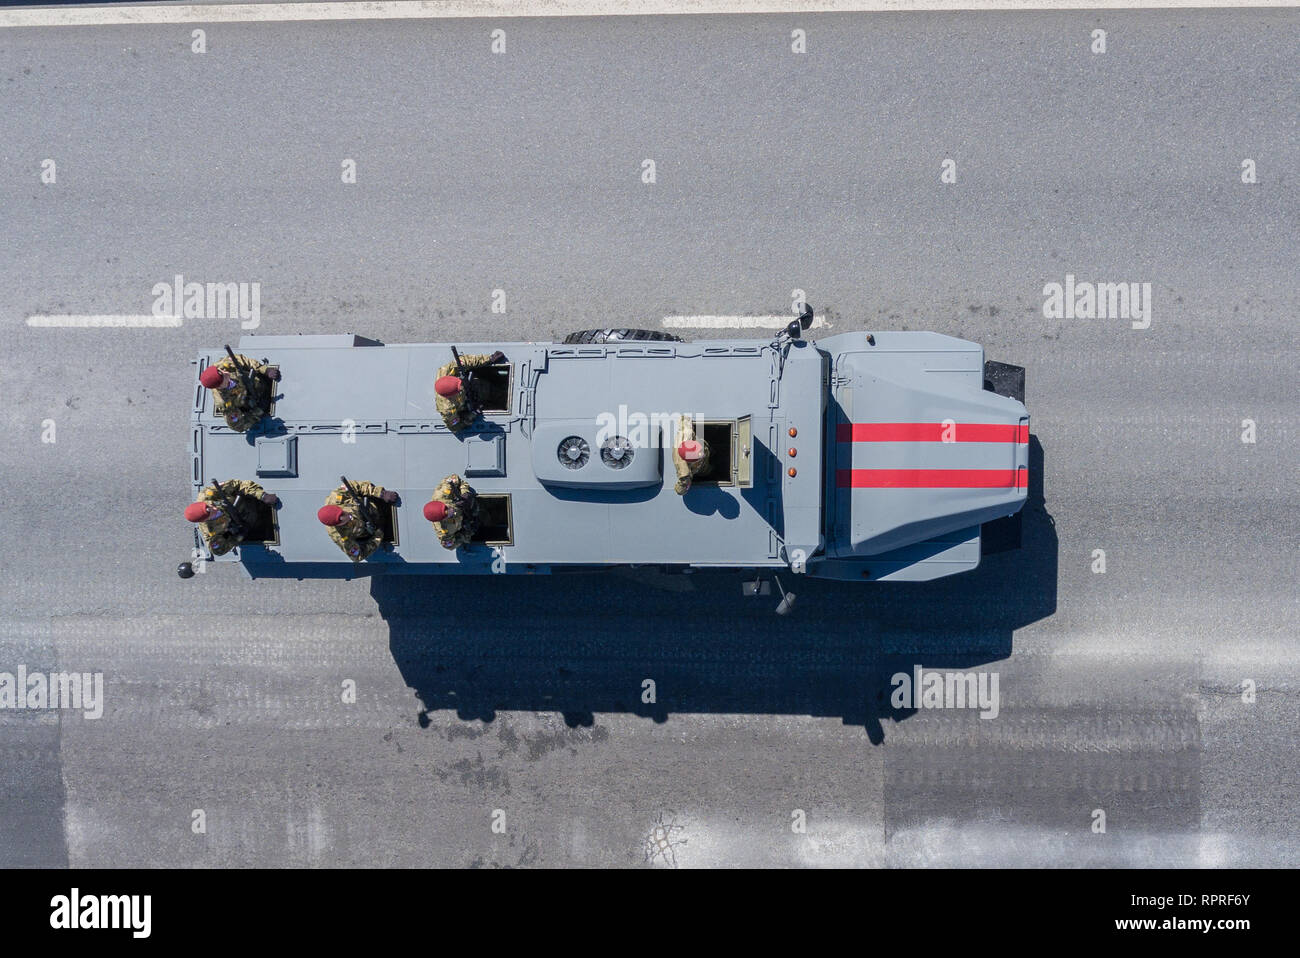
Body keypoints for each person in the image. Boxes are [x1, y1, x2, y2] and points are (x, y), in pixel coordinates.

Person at [184, 479, 279, 556]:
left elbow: (238, 484)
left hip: (255, 505)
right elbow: (217, 550)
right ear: (204, 520)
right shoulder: (209, 530)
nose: (214, 508)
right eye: (211, 513)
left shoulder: (207, 496)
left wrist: (262, 495)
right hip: (254, 527)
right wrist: (233, 535)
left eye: (209, 506)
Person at [318, 480, 398, 562]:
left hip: (375, 506)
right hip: (374, 529)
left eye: (343, 513)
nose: (348, 517)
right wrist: (377, 537)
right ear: (337, 525)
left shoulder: (337, 497)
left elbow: (355, 486)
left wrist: (381, 494)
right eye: (342, 521)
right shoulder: (339, 536)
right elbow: (358, 556)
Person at [200, 352, 280, 432]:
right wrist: (259, 410)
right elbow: (238, 426)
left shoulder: (220, 367)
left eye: (220, 371)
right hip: (258, 402)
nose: (225, 372)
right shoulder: (225, 403)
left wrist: (265, 370)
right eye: (222, 376)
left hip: (260, 382)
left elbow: (244, 361)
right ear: (219, 386)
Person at [434, 349, 506, 433]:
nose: (461, 385)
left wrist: (489, 359)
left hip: (474, 384)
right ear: (451, 396)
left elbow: (465, 361)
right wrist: (471, 415)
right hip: (470, 401)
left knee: (488, 385)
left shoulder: (446, 371)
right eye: (459, 387)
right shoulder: (447, 409)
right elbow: (455, 427)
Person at [423, 474, 479, 549]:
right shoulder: (443, 532)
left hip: (467, 505)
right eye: (448, 515)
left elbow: (455, 478)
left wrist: (465, 493)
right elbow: (450, 546)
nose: (453, 512)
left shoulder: (442, 493)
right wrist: (465, 534)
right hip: (466, 522)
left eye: (447, 509)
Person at [672, 416, 711, 495]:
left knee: (706, 449)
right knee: (707, 471)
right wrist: (684, 488)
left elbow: (684, 420)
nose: (701, 454)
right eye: (698, 455)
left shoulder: (685, 436)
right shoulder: (684, 471)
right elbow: (681, 488)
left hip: (704, 446)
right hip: (700, 466)